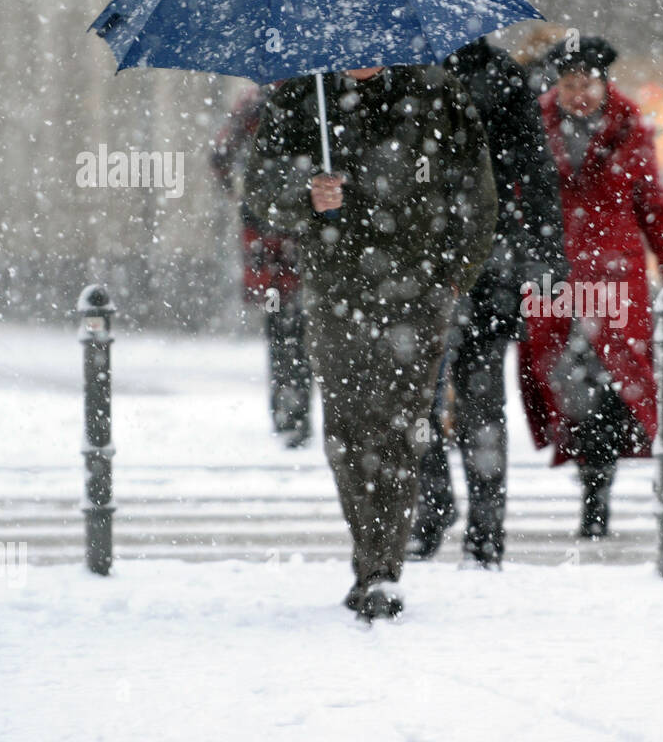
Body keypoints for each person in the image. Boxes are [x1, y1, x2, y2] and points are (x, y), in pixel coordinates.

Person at [246, 65, 495, 621]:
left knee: (402, 426)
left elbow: (476, 191)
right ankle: (370, 552)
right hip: (336, 288)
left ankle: (383, 569)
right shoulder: (299, 97)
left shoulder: (437, 94)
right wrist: (305, 197)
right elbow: (260, 190)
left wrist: (454, 273)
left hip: (420, 288)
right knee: (349, 428)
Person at [518, 36, 663, 537]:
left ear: (604, 83)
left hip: (616, 279)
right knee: (566, 385)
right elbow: (516, 197)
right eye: (569, 83)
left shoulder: (630, 128)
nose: (579, 94)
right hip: (553, 278)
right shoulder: (535, 123)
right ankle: (591, 479)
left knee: (613, 384)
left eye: (587, 84)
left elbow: (654, 206)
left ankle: (598, 491)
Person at [407, 38, 568, 566]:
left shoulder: (498, 75)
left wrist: (545, 258)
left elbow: (537, 172)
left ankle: (485, 528)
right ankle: (435, 508)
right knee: (419, 398)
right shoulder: (403, 73)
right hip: (422, 259)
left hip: (485, 257)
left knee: (478, 402)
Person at [211, 85, 313, 446]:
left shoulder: (255, 104)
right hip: (309, 226)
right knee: (307, 325)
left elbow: (221, 155)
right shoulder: (316, 98)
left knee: (282, 328)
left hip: (266, 229)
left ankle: (289, 413)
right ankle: (300, 412)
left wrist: (239, 191)